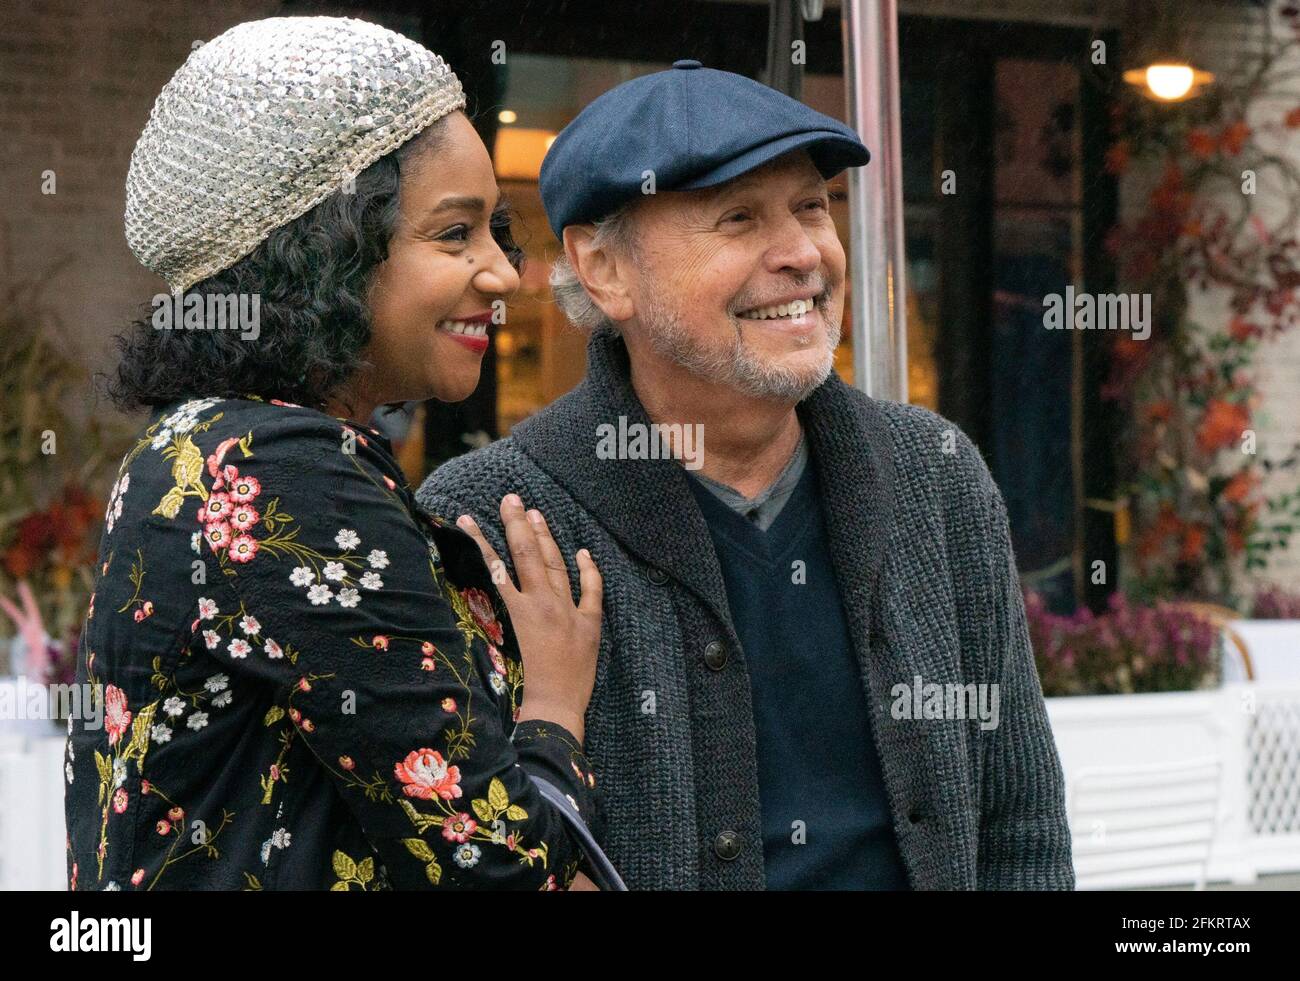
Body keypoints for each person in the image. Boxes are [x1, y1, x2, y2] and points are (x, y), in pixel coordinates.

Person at [420, 60, 1075, 889]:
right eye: (738, 218)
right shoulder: (488, 520)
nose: (803, 254)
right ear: (603, 269)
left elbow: (1021, 825)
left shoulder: (936, 478)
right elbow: (471, 856)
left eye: (813, 206)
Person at [64, 15, 607, 891]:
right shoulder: (285, 472)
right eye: (452, 234)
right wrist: (552, 707)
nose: (504, 272)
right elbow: (498, 869)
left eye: (494, 230)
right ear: (327, 256)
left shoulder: (199, 442)